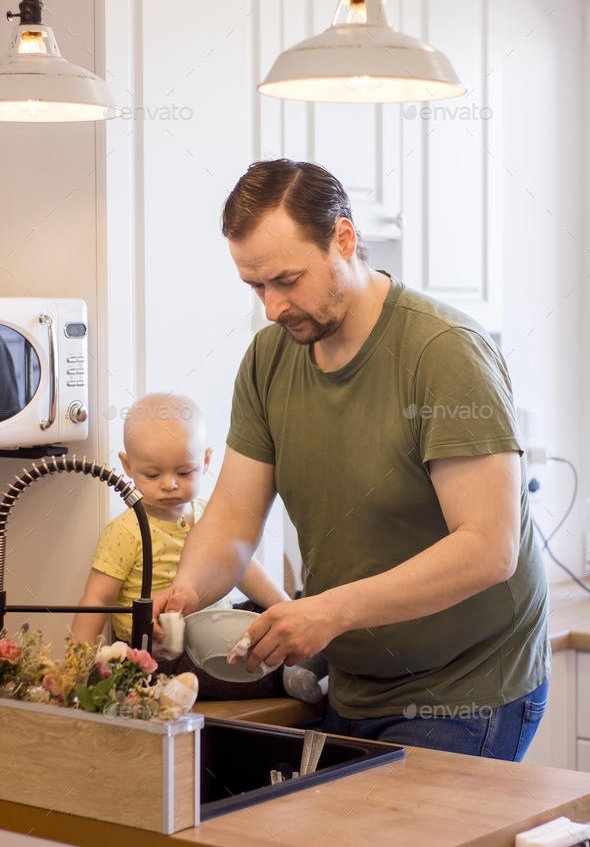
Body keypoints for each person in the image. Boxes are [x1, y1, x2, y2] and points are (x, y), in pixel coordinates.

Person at [153, 160, 550, 761]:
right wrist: (186, 592)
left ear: (343, 238)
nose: (272, 307)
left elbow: (489, 548)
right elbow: (233, 519)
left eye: (287, 280)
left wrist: (330, 611)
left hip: (467, 686)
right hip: (356, 682)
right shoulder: (268, 361)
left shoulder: (444, 354)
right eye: (256, 287)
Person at [72, 392, 326, 702]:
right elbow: (97, 598)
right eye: (153, 474)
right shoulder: (126, 532)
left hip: (221, 634)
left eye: (183, 472)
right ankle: (284, 678)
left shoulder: (212, 518)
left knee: (266, 614)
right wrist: (78, 667)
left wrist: (288, 610)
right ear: (127, 465)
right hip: (164, 653)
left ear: (205, 461)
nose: (170, 484)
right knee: (191, 673)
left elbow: (244, 569)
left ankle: (308, 658)